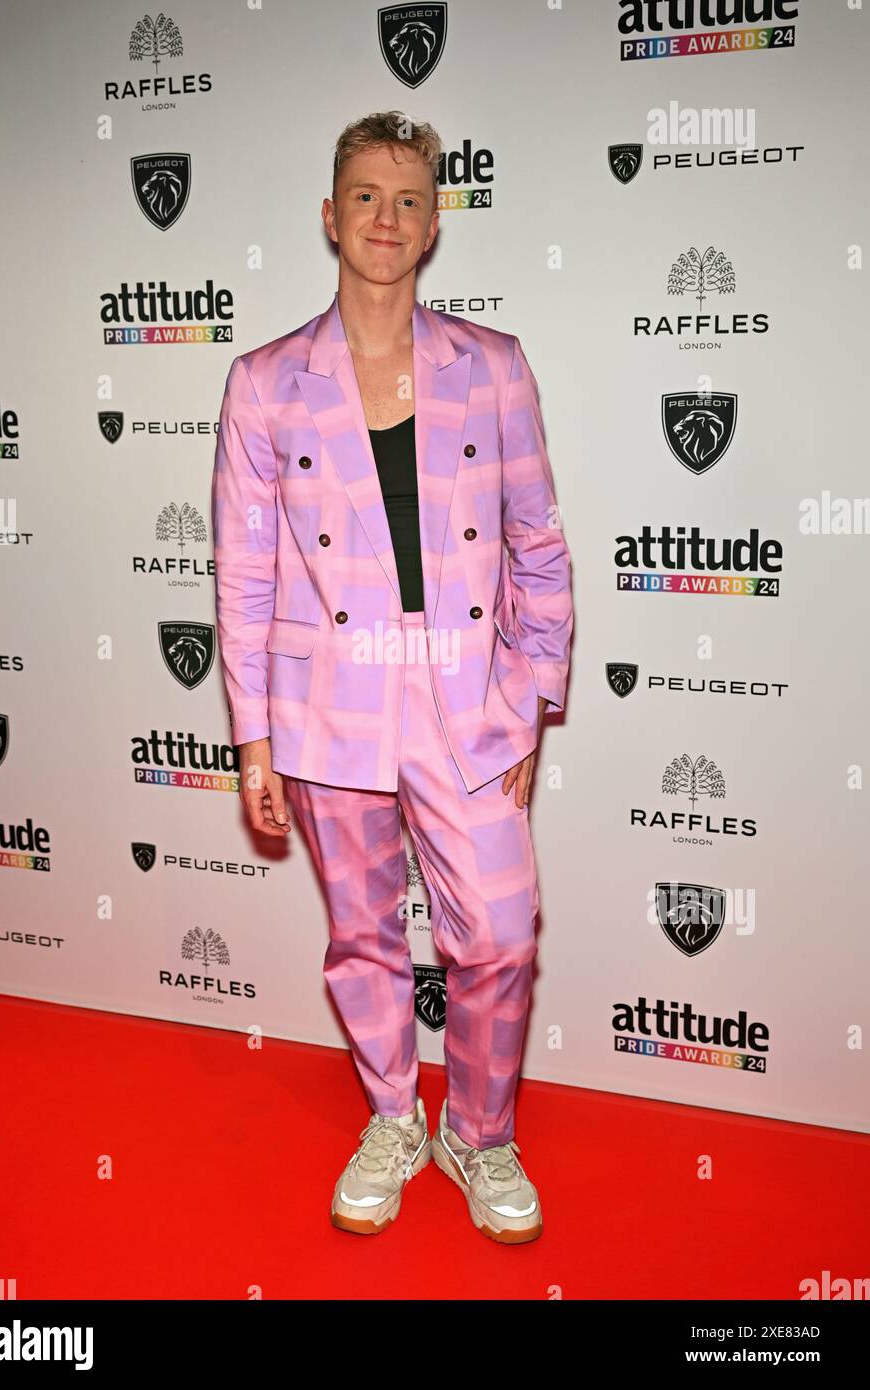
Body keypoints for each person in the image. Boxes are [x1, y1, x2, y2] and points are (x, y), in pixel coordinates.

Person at [211, 110, 573, 1244]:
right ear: (331, 216)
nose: (386, 217)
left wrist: (527, 707)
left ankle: (478, 1127)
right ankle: (388, 1115)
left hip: (467, 699)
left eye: (409, 198)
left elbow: (541, 548)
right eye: (365, 196)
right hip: (329, 708)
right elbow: (245, 577)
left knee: (502, 934)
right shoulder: (266, 384)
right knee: (363, 935)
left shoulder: (494, 367)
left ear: (433, 226)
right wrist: (254, 739)